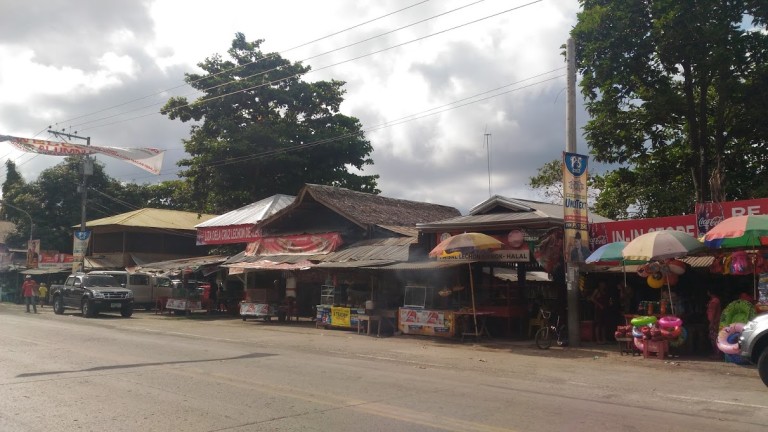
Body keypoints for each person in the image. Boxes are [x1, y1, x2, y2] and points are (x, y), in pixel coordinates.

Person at [706, 288, 722, 360]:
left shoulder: (714, 301)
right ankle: (717, 353)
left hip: (714, 322)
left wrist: (711, 323)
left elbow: (712, 313)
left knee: (714, 338)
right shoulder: (716, 300)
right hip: (716, 321)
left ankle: (717, 354)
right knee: (715, 337)